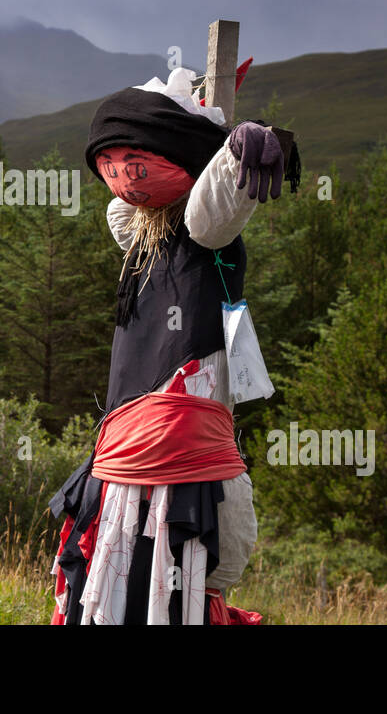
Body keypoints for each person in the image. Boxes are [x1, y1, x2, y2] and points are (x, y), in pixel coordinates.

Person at [48, 65, 298, 625]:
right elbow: (123, 209)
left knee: (193, 543)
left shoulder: (206, 232)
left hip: (173, 424)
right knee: (154, 544)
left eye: (136, 164)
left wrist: (234, 147)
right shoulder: (140, 235)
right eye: (112, 167)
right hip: (132, 437)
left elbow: (212, 206)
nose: (124, 178)